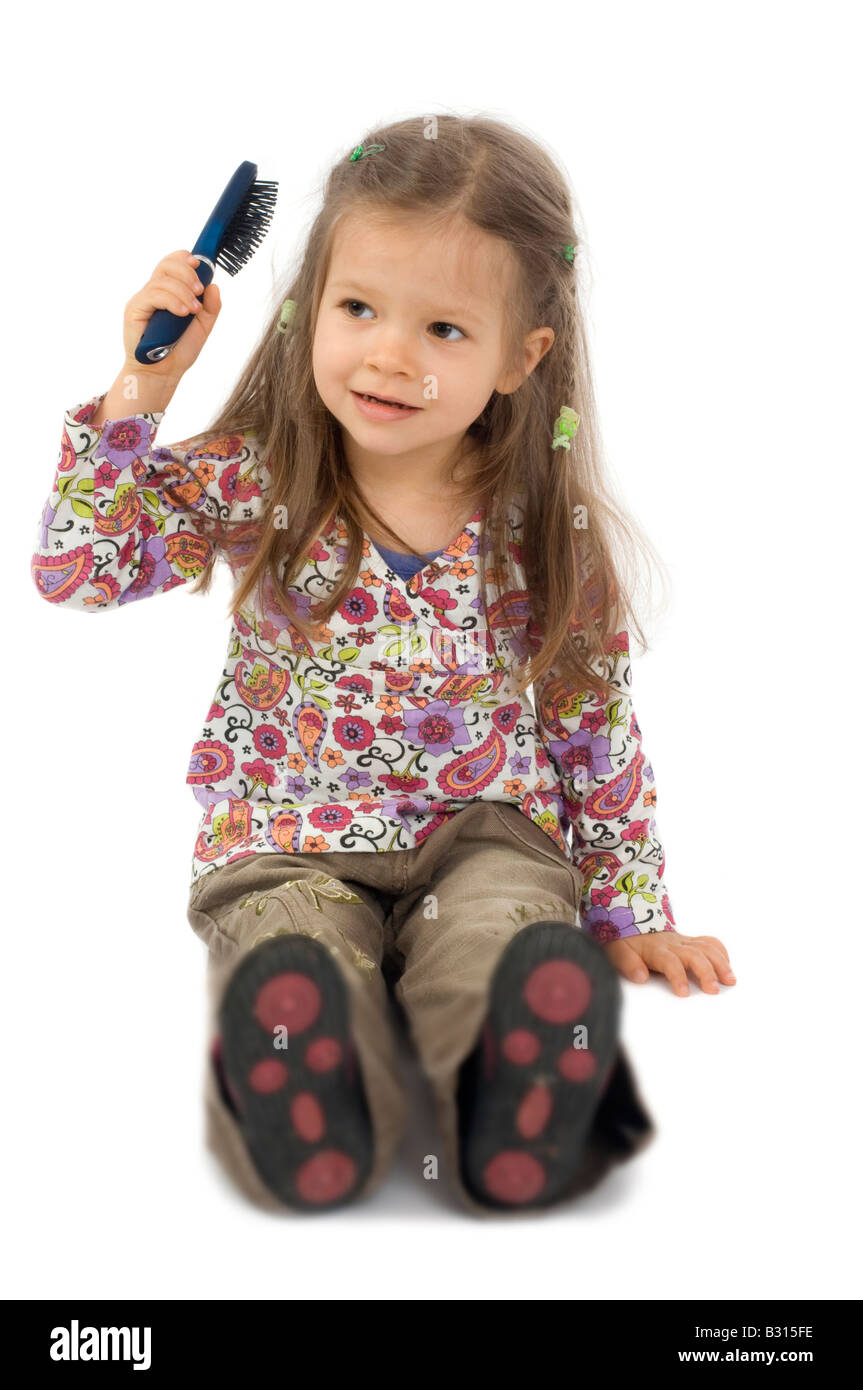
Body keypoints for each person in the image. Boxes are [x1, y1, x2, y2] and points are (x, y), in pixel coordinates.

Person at [31, 113, 735, 1217]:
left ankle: (524, 1088)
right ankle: (307, 1082)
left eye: (445, 329)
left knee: (504, 931)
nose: (389, 356)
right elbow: (78, 569)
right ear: (309, 308)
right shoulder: (260, 476)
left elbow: (593, 727)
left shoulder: (540, 525)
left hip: (485, 835)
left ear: (520, 357)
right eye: (357, 308)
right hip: (285, 838)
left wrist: (629, 908)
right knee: (296, 943)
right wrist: (142, 384)